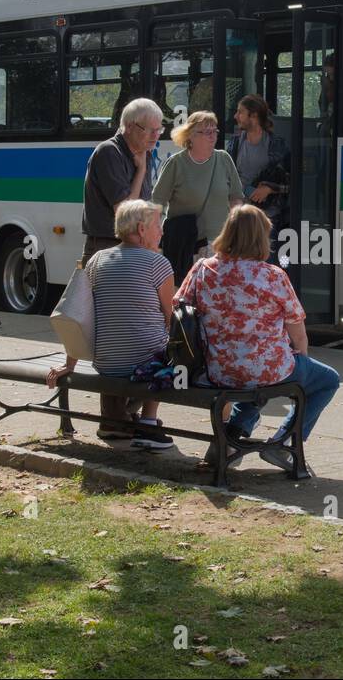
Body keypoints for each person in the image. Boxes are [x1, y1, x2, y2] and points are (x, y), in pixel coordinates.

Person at [176, 204, 341, 471]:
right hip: (266, 369)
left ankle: (231, 439)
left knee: (249, 380)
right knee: (326, 380)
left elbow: (180, 309)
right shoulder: (273, 276)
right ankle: (284, 445)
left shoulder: (202, 269)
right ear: (261, 238)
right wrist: (302, 362)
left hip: (217, 369)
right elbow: (297, 332)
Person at [47, 199, 177, 449]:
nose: (162, 231)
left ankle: (113, 422)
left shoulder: (97, 260)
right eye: (158, 225)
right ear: (141, 230)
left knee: (117, 337)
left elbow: (80, 315)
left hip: (106, 362)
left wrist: (69, 363)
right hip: (143, 364)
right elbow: (171, 318)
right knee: (169, 348)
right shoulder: (158, 264)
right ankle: (149, 424)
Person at [152, 111, 244, 283]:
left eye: (214, 131)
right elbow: (157, 202)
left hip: (220, 244)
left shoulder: (224, 159)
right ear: (191, 136)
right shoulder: (176, 163)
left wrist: (236, 227)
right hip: (186, 243)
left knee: (217, 297)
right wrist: (154, 235)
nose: (213, 136)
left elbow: (236, 197)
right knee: (186, 295)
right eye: (207, 132)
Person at [81, 97, 162, 264]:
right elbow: (125, 215)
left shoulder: (143, 152)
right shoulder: (109, 152)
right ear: (130, 127)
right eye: (149, 130)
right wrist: (141, 171)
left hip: (134, 247)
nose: (156, 136)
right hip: (108, 248)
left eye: (159, 130)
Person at [226, 95, 290, 257]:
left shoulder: (276, 144)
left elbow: (291, 182)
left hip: (268, 216)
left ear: (253, 116)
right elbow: (225, 176)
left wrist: (270, 189)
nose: (235, 116)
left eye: (240, 112)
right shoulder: (234, 144)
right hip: (240, 215)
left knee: (266, 262)